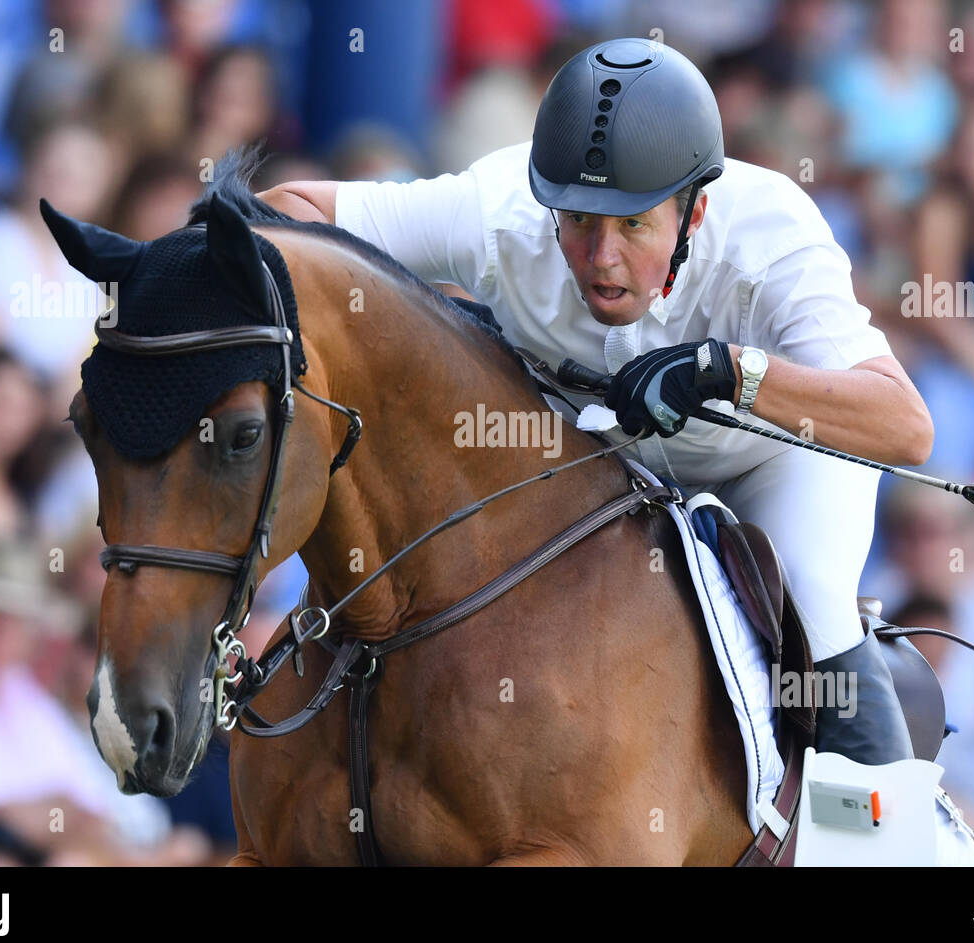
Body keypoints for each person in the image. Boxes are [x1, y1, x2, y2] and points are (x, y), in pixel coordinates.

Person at [260, 37, 933, 765]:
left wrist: (733, 373)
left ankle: (888, 827)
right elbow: (286, 213)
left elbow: (904, 427)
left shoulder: (771, 237)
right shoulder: (500, 213)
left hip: (774, 460)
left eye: (633, 225)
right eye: (579, 220)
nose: (601, 257)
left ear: (695, 214)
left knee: (812, 599)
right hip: (598, 464)